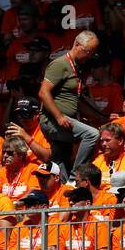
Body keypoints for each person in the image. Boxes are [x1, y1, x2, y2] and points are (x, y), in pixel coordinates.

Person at [38, 30, 102, 179]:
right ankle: (76, 177)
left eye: (93, 53)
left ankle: (65, 188)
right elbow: (43, 93)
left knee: (61, 159)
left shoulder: (77, 67)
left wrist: (100, 117)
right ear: (77, 45)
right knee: (92, 134)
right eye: (88, 51)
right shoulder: (60, 64)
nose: (90, 56)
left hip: (66, 120)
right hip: (53, 121)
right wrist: (59, 117)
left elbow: (77, 102)